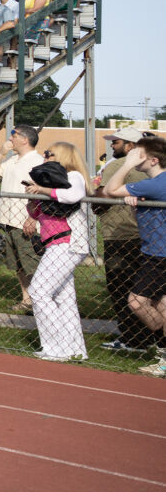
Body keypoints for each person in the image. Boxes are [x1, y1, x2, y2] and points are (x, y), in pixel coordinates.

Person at [98, 134, 166, 376]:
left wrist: (127, 164)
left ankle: (162, 348)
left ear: (154, 160)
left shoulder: (156, 183)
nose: (135, 157)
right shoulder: (156, 185)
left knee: (136, 302)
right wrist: (139, 204)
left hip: (158, 255)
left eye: (140, 155)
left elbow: (109, 189)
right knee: (161, 303)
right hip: (153, 250)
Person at [25, 142, 92, 362]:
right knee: (65, 298)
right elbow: (36, 214)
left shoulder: (73, 176)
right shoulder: (51, 179)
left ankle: (57, 347)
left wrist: (43, 190)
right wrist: (34, 192)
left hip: (68, 242)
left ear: (62, 156)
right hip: (54, 243)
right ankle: (74, 349)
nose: (44, 156)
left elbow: (72, 195)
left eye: (49, 154)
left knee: (38, 292)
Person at [91, 127, 156, 354]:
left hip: (120, 235)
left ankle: (132, 339)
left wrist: (93, 194)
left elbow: (101, 198)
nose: (112, 145)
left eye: (116, 142)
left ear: (130, 146)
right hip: (145, 235)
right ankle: (149, 336)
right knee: (147, 292)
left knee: (120, 289)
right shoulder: (151, 169)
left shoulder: (118, 166)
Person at [0, 124, 45, 312]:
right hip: (8, 220)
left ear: (24, 139)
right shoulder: (12, 161)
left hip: (26, 221)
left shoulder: (38, 162)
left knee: (32, 263)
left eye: (13, 135)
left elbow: (43, 195)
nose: (10, 139)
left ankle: (40, 300)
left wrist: (33, 218)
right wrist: (1, 153)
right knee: (19, 264)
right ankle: (27, 299)